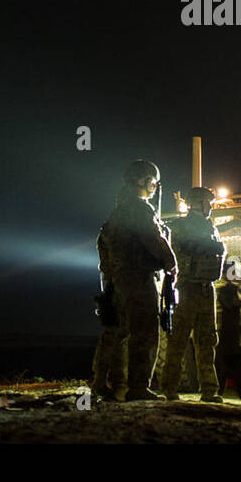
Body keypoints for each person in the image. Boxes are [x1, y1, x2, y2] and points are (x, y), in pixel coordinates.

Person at [100, 159, 176, 401]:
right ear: (143, 181)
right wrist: (170, 262)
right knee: (144, 333)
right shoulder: (140, 210)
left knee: (120, 333)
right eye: (152, 181)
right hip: (139, 279)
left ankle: (113, 385)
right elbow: (153, 239)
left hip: (118, 280)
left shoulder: (118, 211)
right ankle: (138, 387)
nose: (154, 187)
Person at [159, 187, 227, 402]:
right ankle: (169, 387)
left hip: (206, 288)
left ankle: (209, 390)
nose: (210, 207)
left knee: (207, 340)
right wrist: (207, 246)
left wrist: (217, 248)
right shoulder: (180, 227)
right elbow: (180, 252)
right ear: (197, 203)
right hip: (186, 288)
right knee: (178, 339)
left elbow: (216, 252)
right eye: (208, 202)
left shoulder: (210, 227)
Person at [90, 225, 127, 401]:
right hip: (121, 287)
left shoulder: (107, 230)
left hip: (111, 286)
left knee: (111, 335)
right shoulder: (121, 230)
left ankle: (101, 381)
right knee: (119, 336)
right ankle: (117, 383)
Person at [216, 258, 241, 404]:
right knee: (223, 365)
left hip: (236, 333)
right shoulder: (226, 290)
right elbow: (230, 303)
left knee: (238, 366)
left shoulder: (237, 289)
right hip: (228, 333)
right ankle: (218, 392)